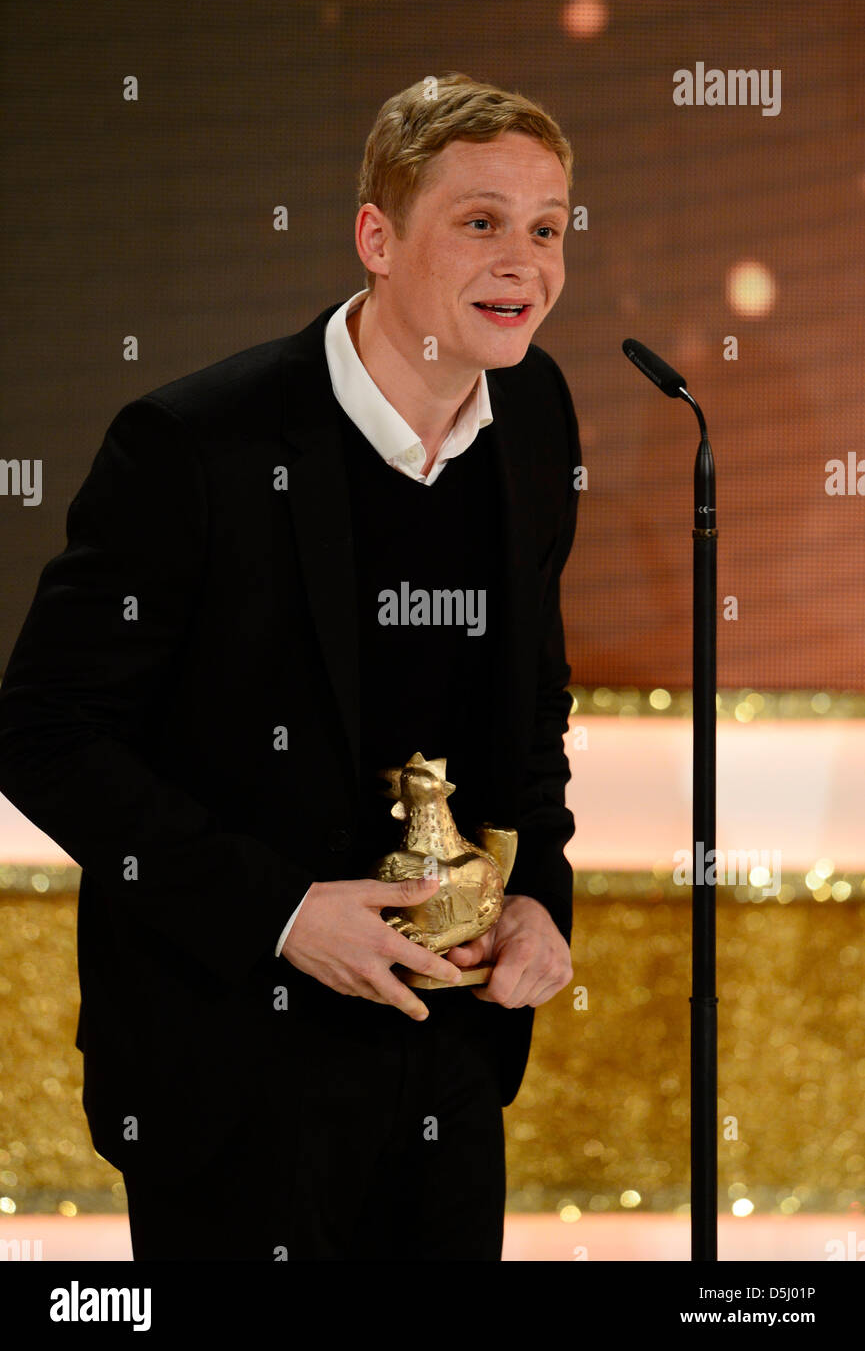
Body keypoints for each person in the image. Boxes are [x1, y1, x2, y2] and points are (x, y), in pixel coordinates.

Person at [0, 71, 581, 1261]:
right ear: (375, 236)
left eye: (546, 227)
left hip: (448, 1057)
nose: (523, 260)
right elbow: (43, 733)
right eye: (480, 221)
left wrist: (537, 897)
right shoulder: (192, 448)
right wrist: (281, 913)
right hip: (231, 1073)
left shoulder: (535, 418)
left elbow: (531, 708)